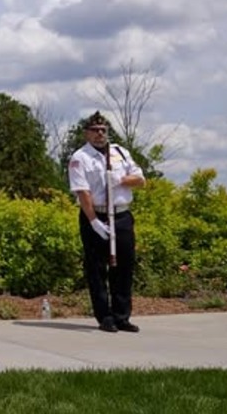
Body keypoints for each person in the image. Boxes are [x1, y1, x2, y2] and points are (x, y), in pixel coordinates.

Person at [68, 111, 146, 333]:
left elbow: (140, 180)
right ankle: (105, 317)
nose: (100, 134)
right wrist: (93, 221)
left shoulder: (120, 152)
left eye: (103, 130)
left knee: (124, 266)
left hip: (121, 215)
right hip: (96, 215)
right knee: (96, 268)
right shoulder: (79, 158)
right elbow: (82, 192)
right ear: (87, 133)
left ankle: (122, 316)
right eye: (95, 130)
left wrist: (120, 179)